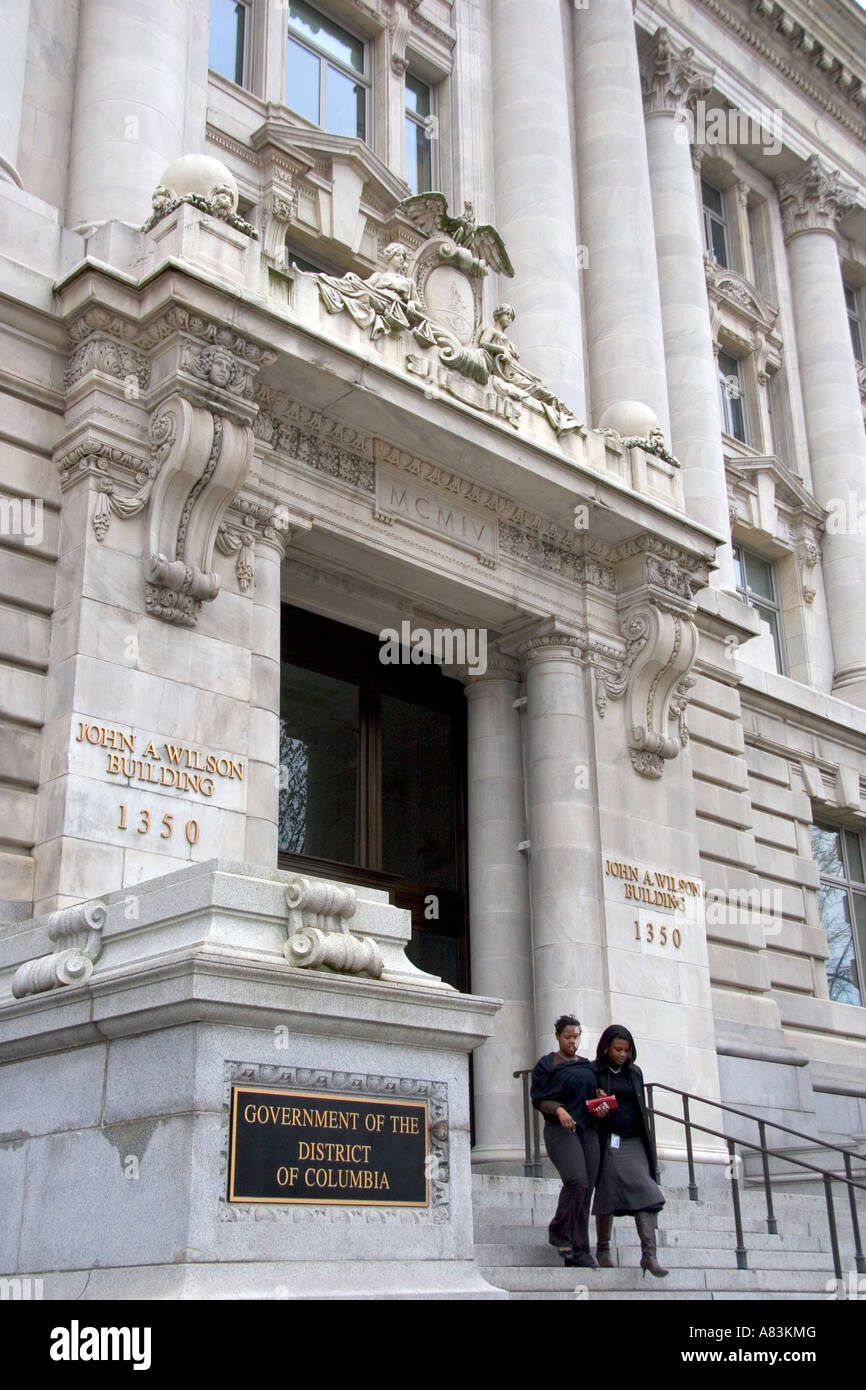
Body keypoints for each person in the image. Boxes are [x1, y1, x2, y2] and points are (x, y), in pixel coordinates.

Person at [591, 1024, 668, 1278]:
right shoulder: (595, 1071)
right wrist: (597, 1105)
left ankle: (649, 1255)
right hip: (609, 1140)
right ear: (606, 1047)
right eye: (618, 1049)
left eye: (627, 1050)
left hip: (634, 1140)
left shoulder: (635, 1073)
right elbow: (587, 1105)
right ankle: (602, 1249)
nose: (623, 1054)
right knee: (607, 1193)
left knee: (645, 1191)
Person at [530, 1015, 602, 1268]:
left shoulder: (588, 1066)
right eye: (568, 1037)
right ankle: (559, 1232)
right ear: (558, 1037)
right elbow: (539, 1099)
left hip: (587, 1131)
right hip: (560, 1131)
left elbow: (594, 1096)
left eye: (576, 1036)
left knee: (586, 1192)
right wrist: (560, 1110)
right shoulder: (546, 1065)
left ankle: (580, 1252)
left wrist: (600, 1103)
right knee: (576, 1182)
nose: (573, 1041)